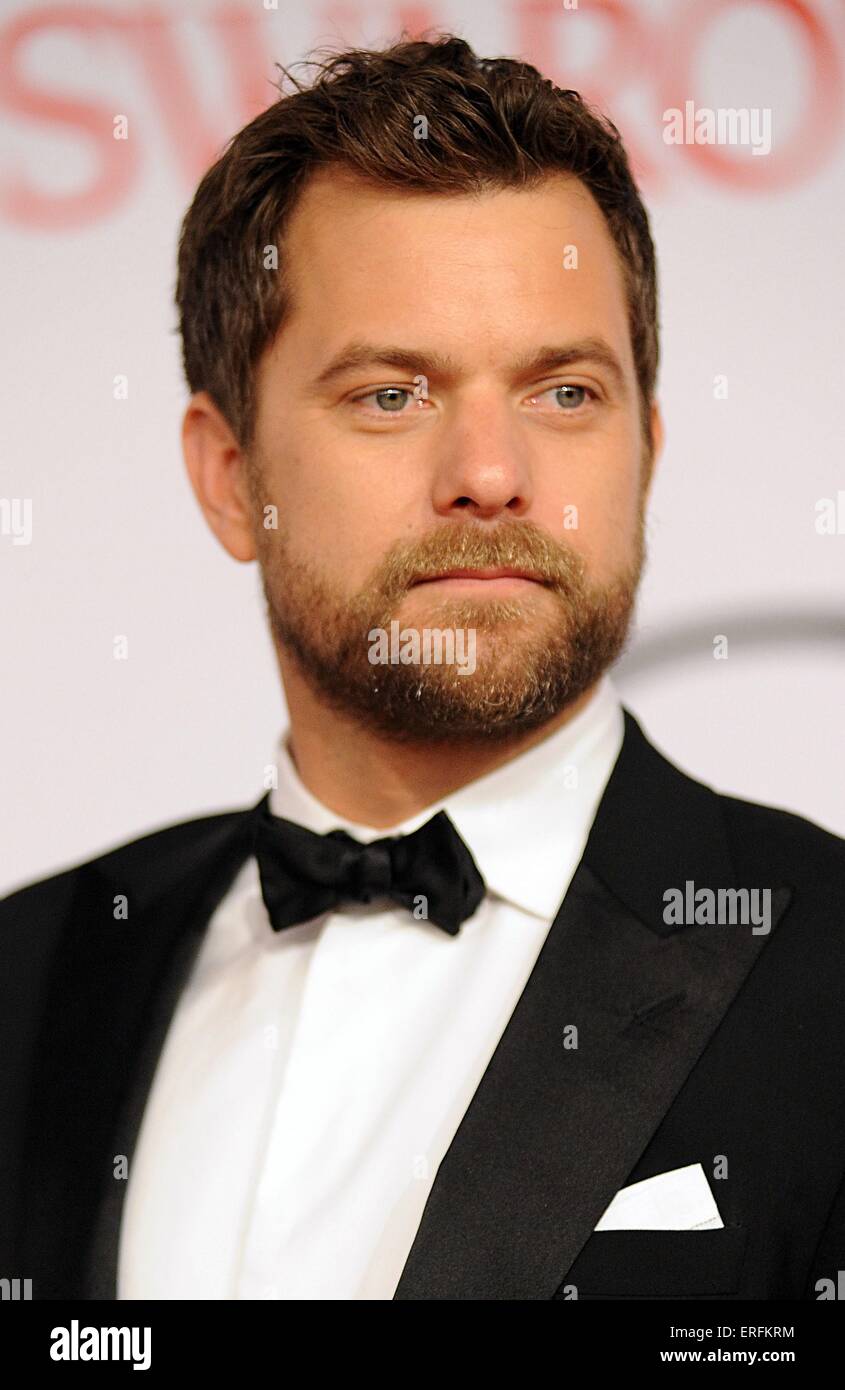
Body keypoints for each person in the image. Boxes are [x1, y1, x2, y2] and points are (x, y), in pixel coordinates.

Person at [2, 34, 844, 1303]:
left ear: (646, 451)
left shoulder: (826, 972)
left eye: (564, 392)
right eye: (392, 395)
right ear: (231, 479)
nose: (492, 473)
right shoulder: (29, 974)